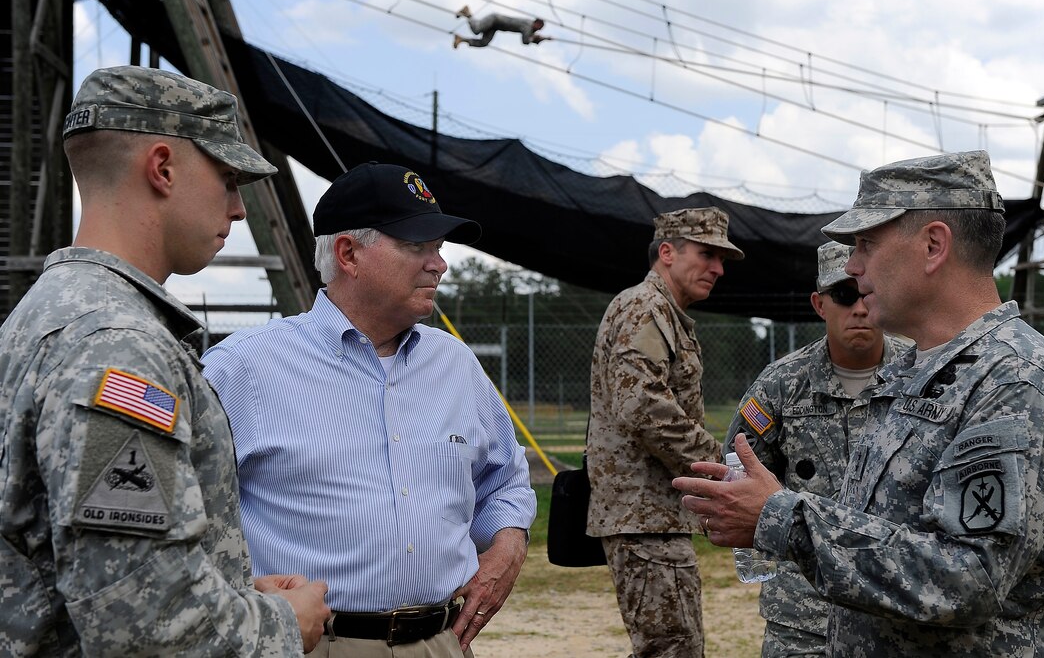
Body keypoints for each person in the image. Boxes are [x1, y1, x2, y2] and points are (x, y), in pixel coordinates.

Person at [675, 150, 1044, 656]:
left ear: (934, 245)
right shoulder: (920, 372)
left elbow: (966, 578)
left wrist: (780, 516)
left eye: (867, 243)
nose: (853, 265)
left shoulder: (1014, 384)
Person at [0, 65, 330, 655]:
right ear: (163, 168)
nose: (238, 209)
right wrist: (282, 624)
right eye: (228, 180)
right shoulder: (117, 344)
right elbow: (147, 630)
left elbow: (82, 572)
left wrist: (228, 593)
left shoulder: (45, 314)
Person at [201, 162, 537, 657]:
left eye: (439, 248)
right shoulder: (241, 369)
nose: (438, 264)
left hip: (441, 644)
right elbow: (187, 515)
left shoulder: (454, 364)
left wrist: (508, 545)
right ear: (348, 252)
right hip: (317, 646)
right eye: (416, 246)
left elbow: (505, 480)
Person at [723, 240, 905, 657]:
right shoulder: (782, 386)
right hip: (803, 619)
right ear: (819, 304)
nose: (858, 308)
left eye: (867, 294)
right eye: (843, 296)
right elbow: (737, 471)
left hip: (893, 611)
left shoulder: (918, 379)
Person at [586, 206, 744, 658]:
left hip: (653, 514)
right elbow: (643, 407)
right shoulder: (645, 307)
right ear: (668, 252)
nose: (716, 268)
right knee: (672, 649)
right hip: (645, 515)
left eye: (722, 259)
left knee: (673, 645)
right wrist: (718, 466)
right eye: (707, 254)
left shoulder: (663, 311)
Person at [453, 4, 551, 49]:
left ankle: (461, 39)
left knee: (484, 42)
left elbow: (530, 37)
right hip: (495, 20)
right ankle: (468, 14)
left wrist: (541, 38)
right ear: (536, 23)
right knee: (477, 29)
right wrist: (537, 39)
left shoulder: (530, 28)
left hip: (496, 26)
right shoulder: (528, 26)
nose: (539, 29)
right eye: (539, 27)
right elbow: (525, 40)